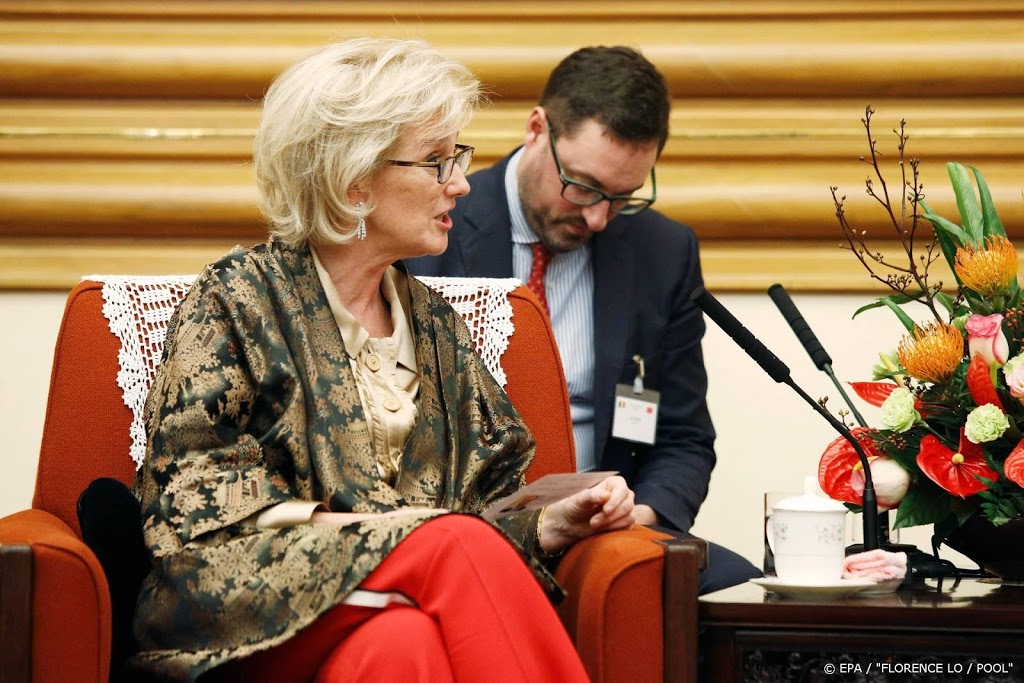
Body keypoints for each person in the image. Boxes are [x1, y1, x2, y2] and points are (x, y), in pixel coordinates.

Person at [128, 38, 636, 682]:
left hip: (386, 607)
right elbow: (193, 498)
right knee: (446, 544)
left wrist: (549, 525)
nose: (460, 183)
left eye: (458, 157)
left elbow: (482, 513)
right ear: (353, 182)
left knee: (402, 644)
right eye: (435, 161)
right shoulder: (236, 298)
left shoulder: (436, 327)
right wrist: (397, 533)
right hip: (238, 610)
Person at [407, 45, 759, 592]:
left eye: (622, 198)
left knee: (750, 598)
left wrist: (636, 519)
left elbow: (683, 437)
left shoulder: (662, 252)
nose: (597, 217)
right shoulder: (432, 232)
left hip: (607, 537)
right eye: (584, 186)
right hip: (474, 530)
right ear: (536, 130)